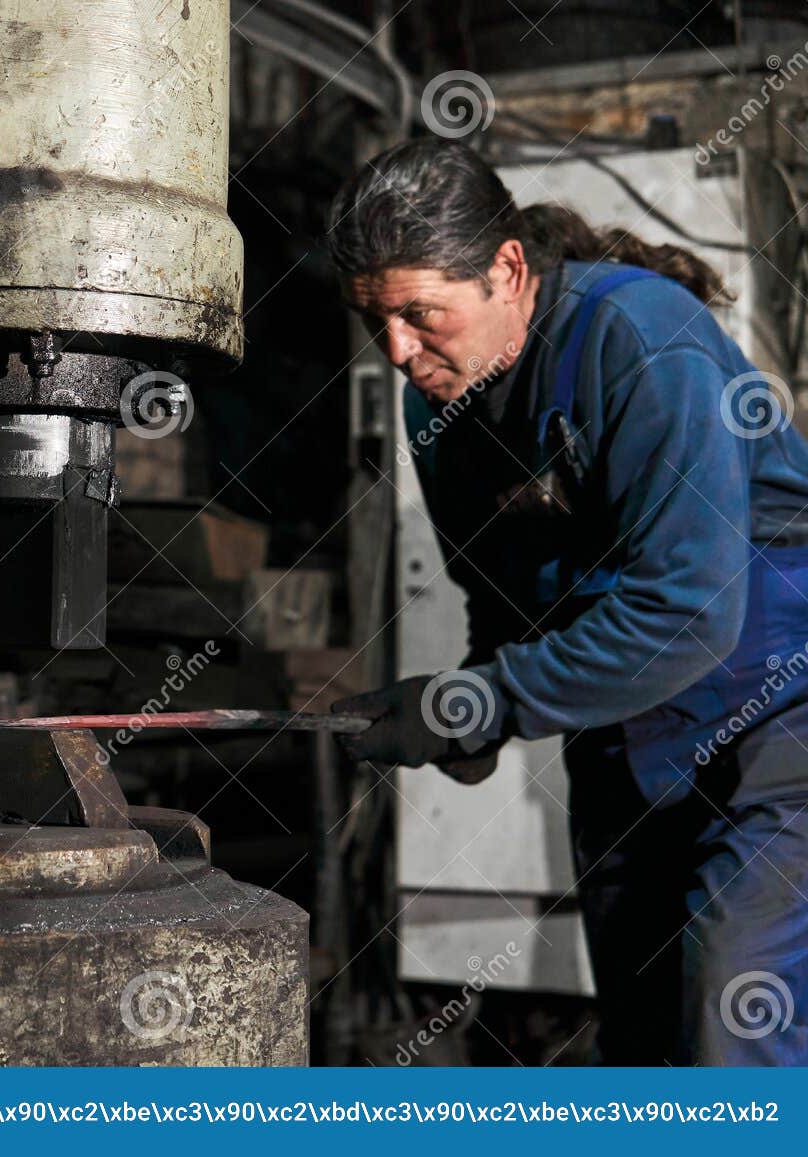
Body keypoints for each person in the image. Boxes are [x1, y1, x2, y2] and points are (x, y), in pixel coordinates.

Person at [325, 138, 808, 1065]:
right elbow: (499, 594)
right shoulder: (439, 406)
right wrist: (465, 708)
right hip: (630, 729)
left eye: (421, 314)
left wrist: (496, 699)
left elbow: (688, 611)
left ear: (508, 271)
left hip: (779, 708)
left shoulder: (638, 338)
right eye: (374, 321)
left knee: (734, 1010)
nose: (397, 350)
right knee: (640, 1029)